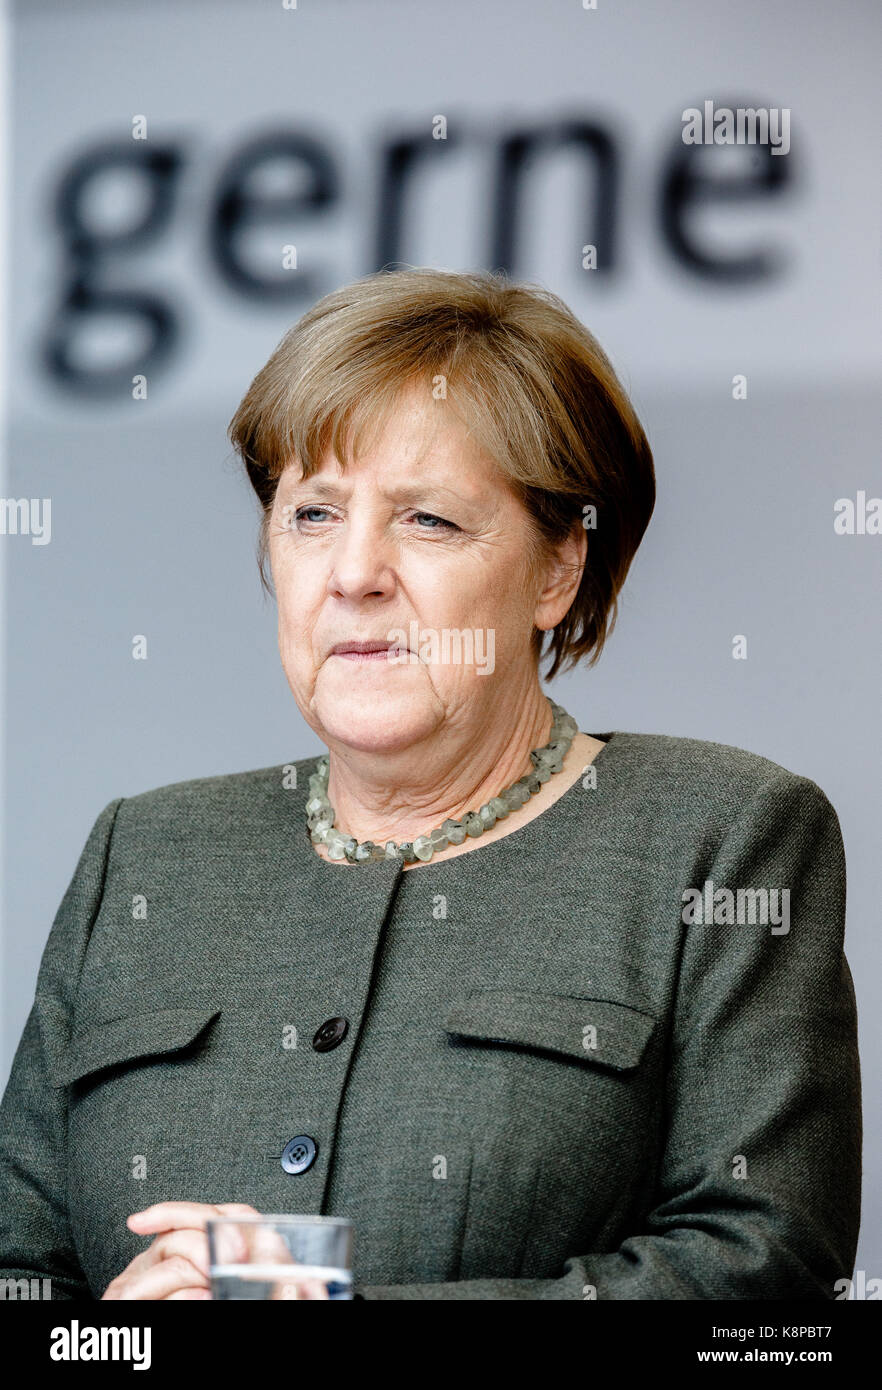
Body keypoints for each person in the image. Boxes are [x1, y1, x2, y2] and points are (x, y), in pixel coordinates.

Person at [0, 269, 861, 1299]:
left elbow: (765, 1267)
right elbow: (19, 1267)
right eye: (312, 514)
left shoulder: (721, 836)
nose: (353, 573)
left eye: (427, 521)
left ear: (558, 568)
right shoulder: (142, 854)